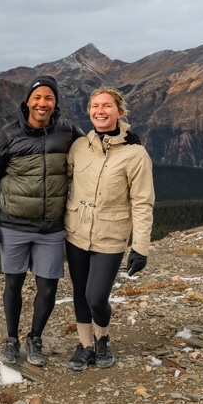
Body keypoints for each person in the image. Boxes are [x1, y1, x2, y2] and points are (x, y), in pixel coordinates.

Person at [0, 75, 83, 366]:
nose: (42, 103)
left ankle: (35, 337)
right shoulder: (8, 135)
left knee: (48, 287)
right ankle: (11, 340)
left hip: (51, 227)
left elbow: (94, 148)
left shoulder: (67, 132)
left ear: (55, 103)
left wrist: (124, 140)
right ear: (27, 102)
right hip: (13, 224)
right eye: (37, 97)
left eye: (49, 98)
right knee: (13, 285)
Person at [63, 86, 154, 371]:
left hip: (110, 235)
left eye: (106, 106)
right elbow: (62, 179)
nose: (100, 111)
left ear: (120, 112)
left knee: (96, 297)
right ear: (88, 111)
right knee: (80, 292)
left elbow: (142, 203)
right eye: (95, 106)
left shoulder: (136, 154)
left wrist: (140, 247)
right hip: (76, 231)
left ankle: (102, 338)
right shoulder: (79, 147)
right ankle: (85, 345)